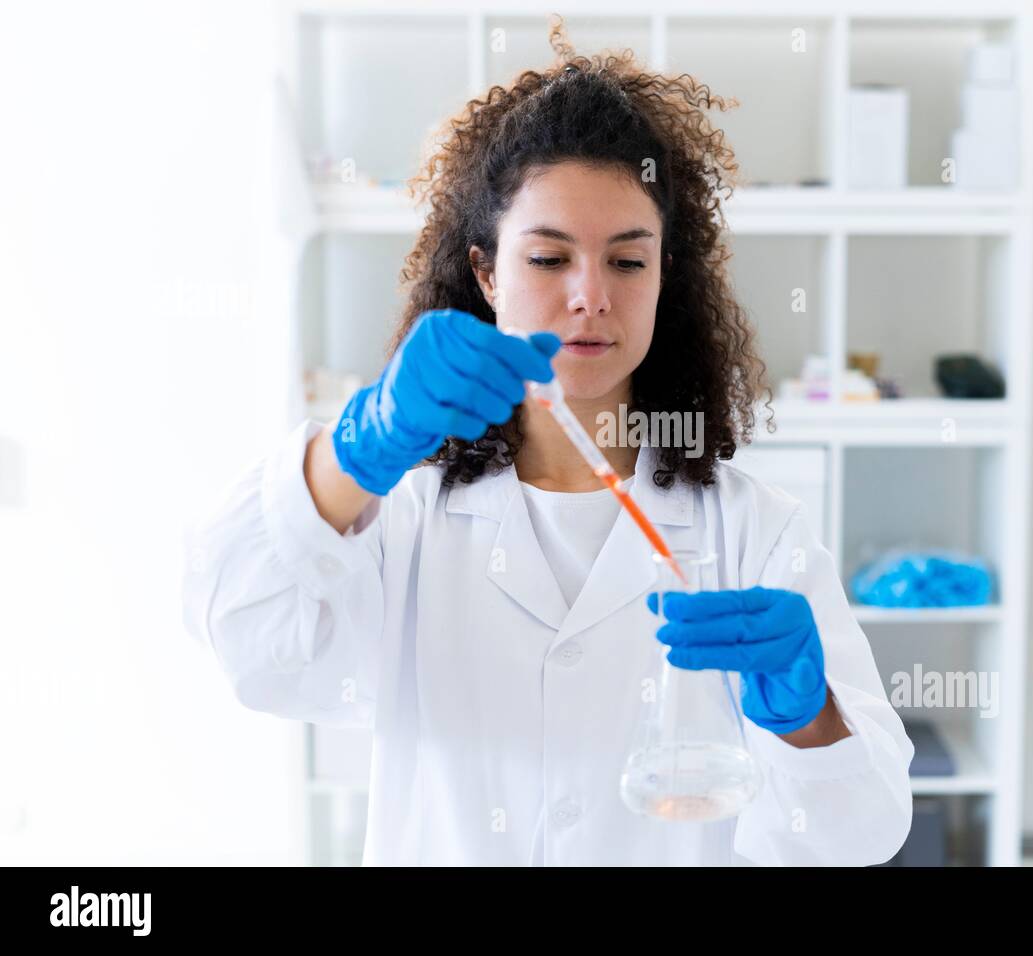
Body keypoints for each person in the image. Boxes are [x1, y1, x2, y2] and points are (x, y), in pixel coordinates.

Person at [182, 26, 913, 866]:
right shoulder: (406, 516)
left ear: (664, 275)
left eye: (628, 263)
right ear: (487, 273)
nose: (590, 297)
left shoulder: (756, 532)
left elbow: (859, 834)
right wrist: (352, 453)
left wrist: (808, 717)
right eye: (548, 257)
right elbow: (243, 641)